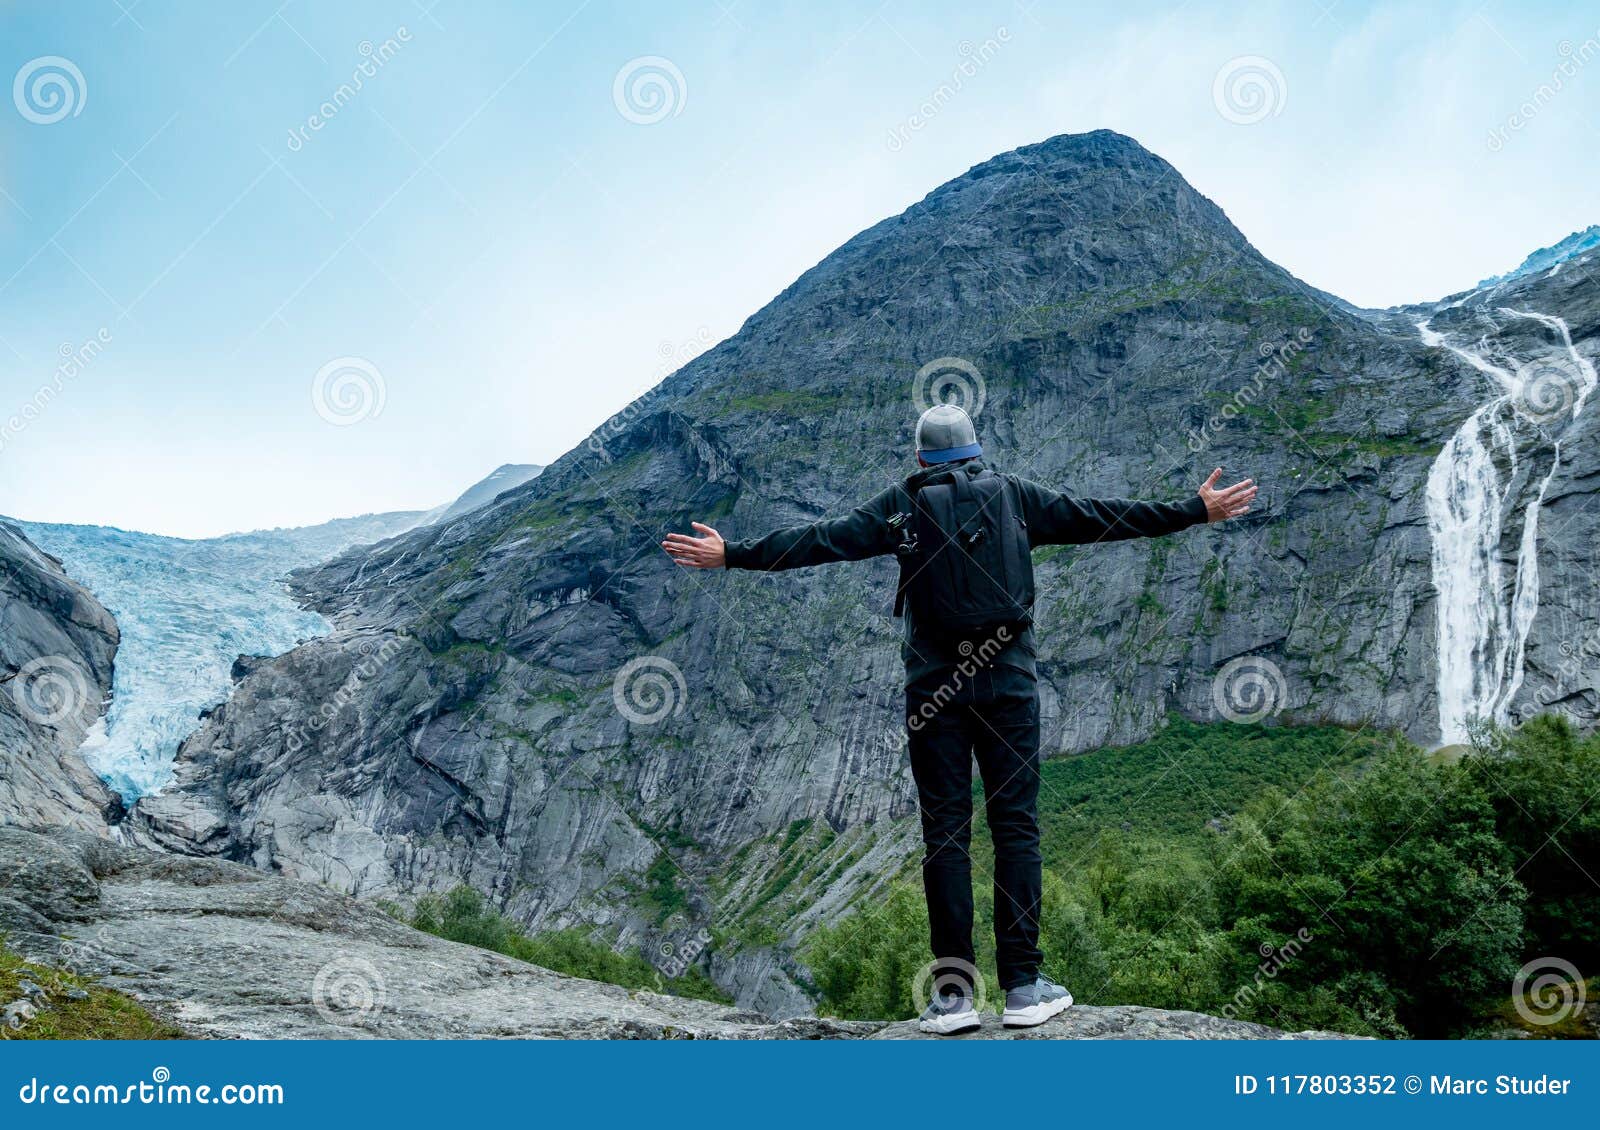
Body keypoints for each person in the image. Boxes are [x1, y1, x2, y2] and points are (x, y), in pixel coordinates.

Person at [662, 403, 1256, 1034]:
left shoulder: (902, 505)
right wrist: (1197, 509)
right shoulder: (1018, 497)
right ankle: (1024, 990)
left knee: (945, 836)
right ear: (976, 453)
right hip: (1009, 687)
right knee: (1016, 829)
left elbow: (822, 540)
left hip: (934, 692)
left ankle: (953, 998)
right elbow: (1105, 518)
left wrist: (733, 555)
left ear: (921, 460)